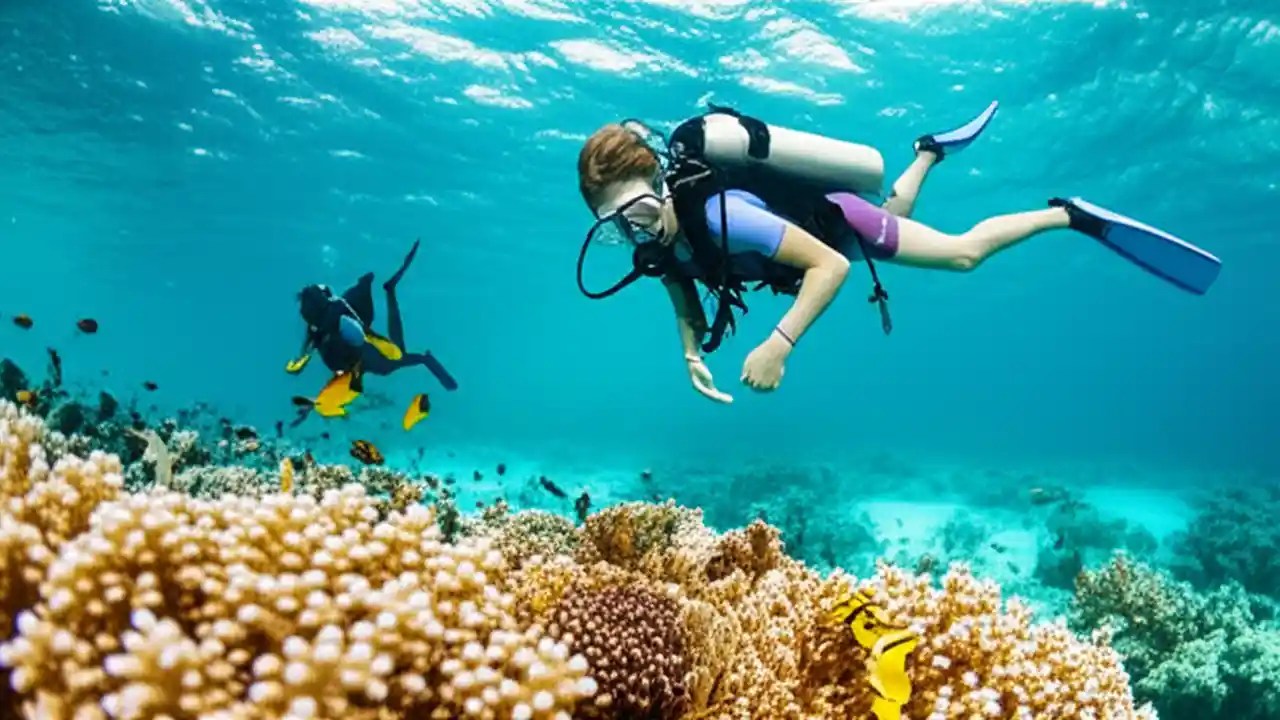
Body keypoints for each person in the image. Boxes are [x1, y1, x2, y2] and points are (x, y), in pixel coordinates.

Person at [574, 102, 1220, 404]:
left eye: (638, 212)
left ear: (661, 187)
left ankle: (1068, 215)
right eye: (613, 226)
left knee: (964, 255)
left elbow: (826, 267)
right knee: (899, 215)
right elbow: (679, 288)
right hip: (824, 231)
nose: (634, 232)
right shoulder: (657, 242)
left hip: (833, 228)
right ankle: (929, 150)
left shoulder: (725, 217)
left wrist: (779, 344)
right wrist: (690, 352)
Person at [288, 238, 458, 391]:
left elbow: (309, 348)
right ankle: (390, 291)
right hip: (356, 354)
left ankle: (391, 292)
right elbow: (360, 329)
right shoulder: (331, 311)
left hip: (356, 355)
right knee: (396, 357)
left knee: (396, 359)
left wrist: (298, 364)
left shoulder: (318, 324)